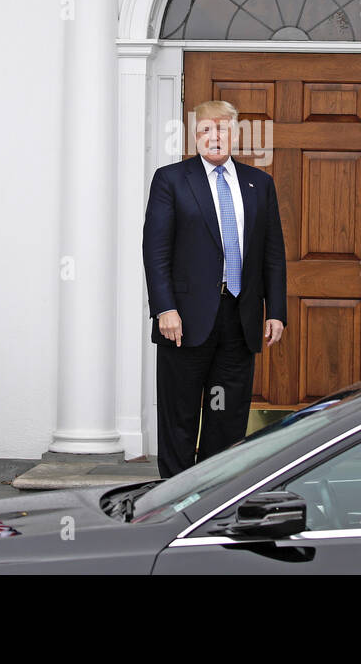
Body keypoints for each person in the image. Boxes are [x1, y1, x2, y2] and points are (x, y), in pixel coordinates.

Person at [142, 100, 287, 480]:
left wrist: (276, 311)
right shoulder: (171, 180)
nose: (214, 136)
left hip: (238, 319)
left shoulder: (259, 185)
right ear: (195, 136)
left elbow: (273, 253)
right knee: (180, 412)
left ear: (236, 135)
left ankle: (214, 491)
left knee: (227, 414)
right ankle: (172, 494)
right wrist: (164, 309)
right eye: (205, 129)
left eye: (221, 129)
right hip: (185, 319)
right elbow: (155, 251)